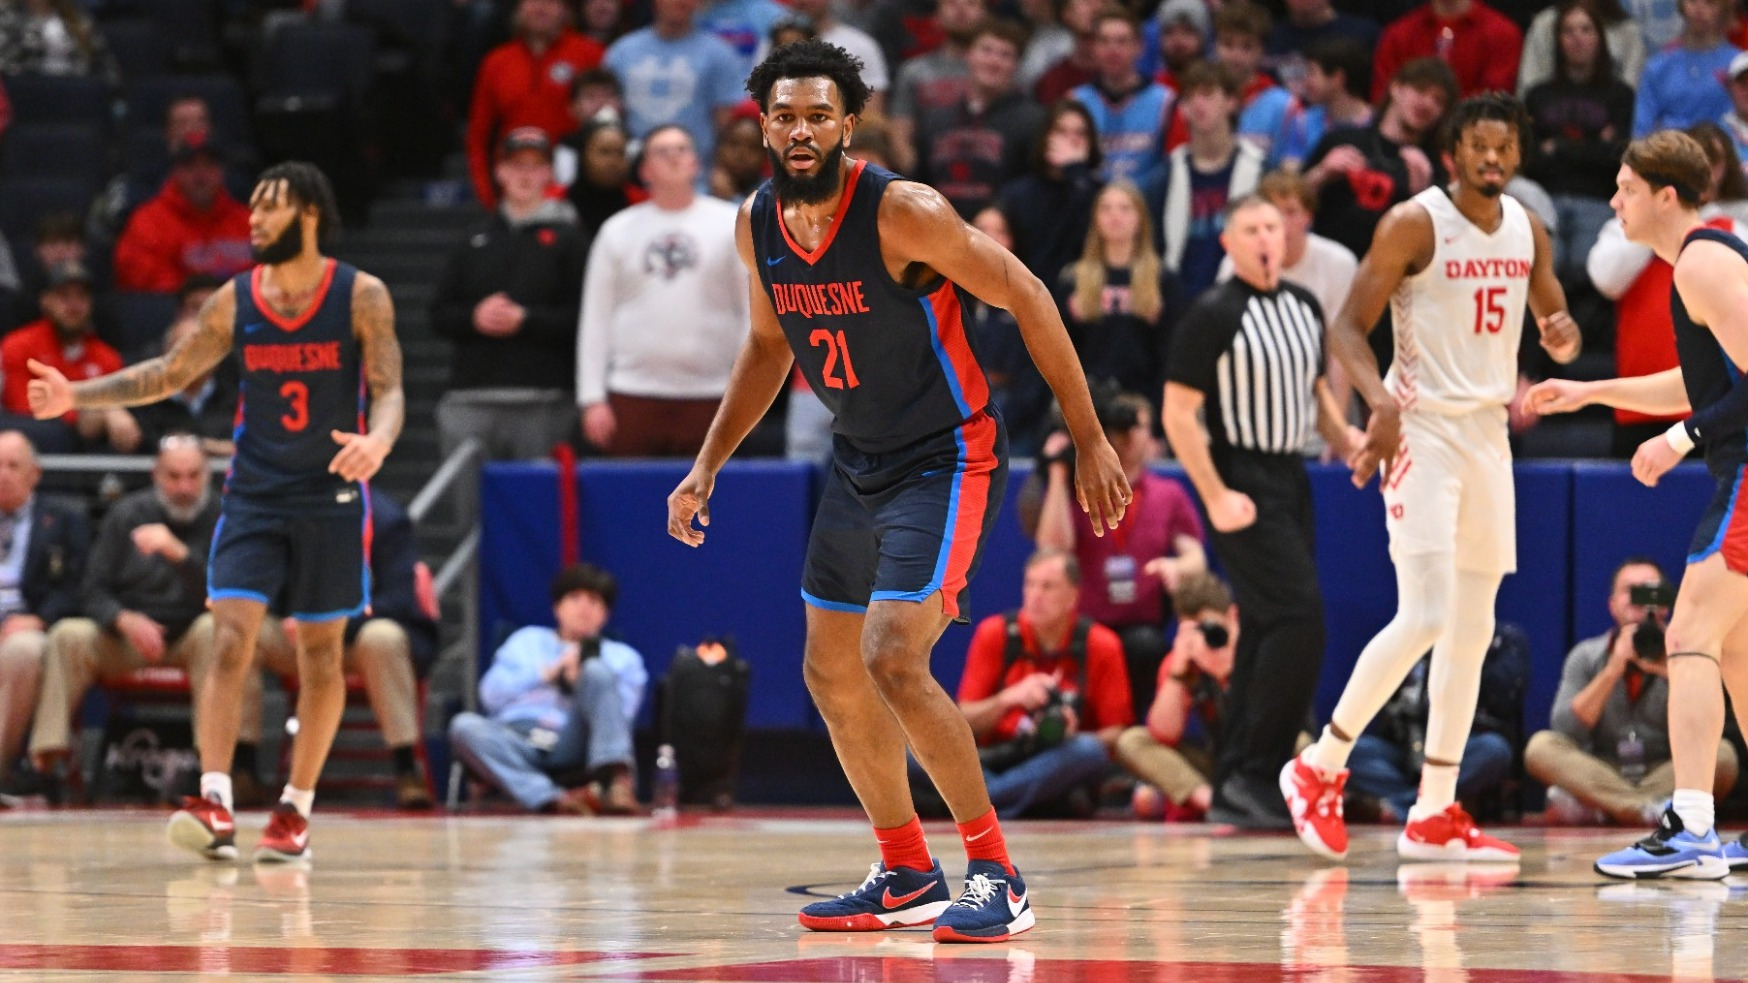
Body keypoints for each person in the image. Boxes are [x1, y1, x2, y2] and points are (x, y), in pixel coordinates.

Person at [666, 40, 1129, 942]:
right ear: (764, 126)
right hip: (858, 459)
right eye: (786, 116)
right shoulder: (757, 224)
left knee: (891, 653)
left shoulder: (902, 211)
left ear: (849, 124)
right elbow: (768, 347)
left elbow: (1028, 293)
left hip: (947, 454)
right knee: (830, 669)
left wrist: (1089, 436)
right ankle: (907, 869)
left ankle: (997, 873)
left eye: (819, 115)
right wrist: (707, 463)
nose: (802, 131)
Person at [26, 162, 404, 865]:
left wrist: (378, 440)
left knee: (321, 655)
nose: (252, 220)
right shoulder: (236, 298)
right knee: (228, 638)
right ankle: (216, 800)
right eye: (251, 208)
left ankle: (295, 809)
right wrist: (76, 396)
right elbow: (170, 372)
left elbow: (389, 389)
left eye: (269, 208)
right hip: (254, 492)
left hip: (328, 494)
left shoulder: (361, 294)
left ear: (309, 214)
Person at [1281, 94, 1580, 864]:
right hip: (1422, 428)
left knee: (1473, 627)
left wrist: (1562, 337)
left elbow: (1559, 327)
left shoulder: (1528, 227)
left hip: (1487, 433)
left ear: (1519, 155)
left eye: (1504, 147)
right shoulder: (1414, 223)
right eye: (1479, 146)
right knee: (1426, 614)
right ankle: (1318, 765)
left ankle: (1435, 809)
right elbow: (1346, 327)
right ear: (1453, 153)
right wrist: (1378, 404)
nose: (1493, 158)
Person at [1526, 129, 1748, 878]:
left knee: (1687, 633)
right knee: (1736, 651)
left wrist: (1681, 439)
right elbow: (1703, 384)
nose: (1613, 202)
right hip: (1738, 463)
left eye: (1625, 189)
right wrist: (1589, 392)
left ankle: (1690, 827)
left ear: (1666, 195)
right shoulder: (1698, 265)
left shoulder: (1704, 261)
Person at [1160, 193, 1358, 828]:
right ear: (1228, 242)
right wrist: (1215, 494)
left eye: (1273, 226)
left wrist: (1346, 437)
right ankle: (1259, 768)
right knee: (1301, 619)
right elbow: (1177, 414)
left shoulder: (1304, 305)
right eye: (1251, 229)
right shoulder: (1212, 314)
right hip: (1239, 475)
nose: (1266, 238)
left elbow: (1316, 390)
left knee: (1270, 626)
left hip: (1291, 475)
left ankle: (1238, 779)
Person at [10, 435, 241, 804]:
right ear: (155, 475)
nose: (184, 487)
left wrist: (180, 555)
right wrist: (121, 618)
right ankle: (47, 763)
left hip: (189, 635)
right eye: (173, 476)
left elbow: (228, 595)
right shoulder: (127, 514)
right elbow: (91, 588)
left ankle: (208, 768)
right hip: (126, 637)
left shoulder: (222, 516)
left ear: (208, 475)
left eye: (193, 476)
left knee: (216, 630)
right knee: (69, 634)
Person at [1031, 388, 1206, 718]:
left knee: (1146, 646)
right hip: (1085, 625)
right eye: (1119, 427)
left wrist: (1177, 566)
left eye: (1136, 426)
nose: (1126, 437)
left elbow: (1196, 557)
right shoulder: (1076, 487)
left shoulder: (1169, 493)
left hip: (1142, 628)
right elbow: (1052, 549)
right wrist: (1058, 471)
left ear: (1152, 437)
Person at [431, 127, 585, 502]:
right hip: (470, 396)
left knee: (539, 510)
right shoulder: (472, 239)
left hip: (544, 398)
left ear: (549, 174)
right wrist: (474, 317)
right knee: (470, 514)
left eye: (535, 166)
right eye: (517, 165)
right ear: (500, 172)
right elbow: (438, 314)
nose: (525, 175)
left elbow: (584, 320)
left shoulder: (571, 239)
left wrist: (526, 320)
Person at [1525, 557, 1740, 826]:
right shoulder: (1587, 655)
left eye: (1649, 590)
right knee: (1540, 746)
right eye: (1631, 591)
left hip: (1665, 771)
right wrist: (1612, 670)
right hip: (1604, 769)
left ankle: (1607, 808)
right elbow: (1566, 728)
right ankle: (1647, 811)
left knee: (1723, 754)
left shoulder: (1689, 655)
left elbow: (1711, 727)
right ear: (1612, 604)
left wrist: (1671, 672)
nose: (1640, 600)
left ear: (1665, 603)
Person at [578, 125, 748, 457]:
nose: (673, 157)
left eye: (681, 149)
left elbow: (754, 314)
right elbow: (595, 319)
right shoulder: (616, 230)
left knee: (713, 492)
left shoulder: (732, 224)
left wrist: (749, 395)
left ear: (696, 163)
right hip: (631, 393)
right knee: (631, 491)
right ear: (644, 170)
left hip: (714, 394)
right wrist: (592, 398)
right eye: (662, 151)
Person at [259, 493, 438, 811]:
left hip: (357, 641)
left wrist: (327, 622)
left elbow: (398, 601)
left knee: (383, 637)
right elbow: (268, 582)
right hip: (297, 639)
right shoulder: (291, 508)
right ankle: (240, 768)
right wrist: (290, 615)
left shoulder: (387, 519)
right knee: (242, 634)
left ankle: (407, 769)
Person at [448, 563, 644, 814]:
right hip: (516, 735)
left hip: (573, 737)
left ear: (605, 614)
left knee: (596, 671)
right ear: (557, 607)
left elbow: (620, 720)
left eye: (594, 601)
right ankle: (554, 799)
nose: (584, 608)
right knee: (463, 726)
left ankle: (613, 784)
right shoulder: (525, 640)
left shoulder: (622, 657)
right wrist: (544, 675)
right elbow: (490, 696)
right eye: (575, 598)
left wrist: (583, 684)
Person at [952, 549, 1132, 818]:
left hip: (1054, 761)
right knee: (911, 755)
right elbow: (963, 720)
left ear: (1073, 596)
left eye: (1048, 587)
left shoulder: (1102, 645)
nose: (1035, 595)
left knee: (1089, 750)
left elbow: (1116, 734)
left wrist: (1070, 734)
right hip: (992, 758)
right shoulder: (995, 632)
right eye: (1030, 584)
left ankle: (969, 803)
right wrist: (1008, 699)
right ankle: (994, 800)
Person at [1345, 622, 1528, 822]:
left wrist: (1458, 656)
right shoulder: (1415, 633)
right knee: (1349, 751)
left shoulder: (1503, 639)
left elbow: (1505, 698)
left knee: (1494, 751)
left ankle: (1398, 807)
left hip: (1464, 748)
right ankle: (1437, 803)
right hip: (1409, 749)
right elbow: (1388, 703)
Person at [1522, 0, 1637, 283]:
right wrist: (1594, 144)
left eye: (1586, 30)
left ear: (1600, 38)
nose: (1577, 39)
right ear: (1558, 40)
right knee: (1544, 268)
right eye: (1569, 31)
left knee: (1589, 270)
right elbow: (1530, 160)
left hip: (1597, 199)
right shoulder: (1538, 95)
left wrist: (1558, 146)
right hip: (1546, 198)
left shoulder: (1620, 95)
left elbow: (1616, 158)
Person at [0, 431, 86, 790]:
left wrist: (39, 619)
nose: (3, 474)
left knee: (24, 651)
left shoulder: (64, 519)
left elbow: (77, 584)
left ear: (34, 474)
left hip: (27, 623)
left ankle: (2, 764)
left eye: (12, 466)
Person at [1114, 572, 1238, 820]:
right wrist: (1178, 674)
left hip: (1263, 759)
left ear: (1233, 617)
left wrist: (1226, 673)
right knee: (1133, 740)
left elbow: (1269, 725)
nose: (1202, 638)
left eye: (1210, 627)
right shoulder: (1180, 662)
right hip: (1212, 764)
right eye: (1193, 631)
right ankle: (1213, 802)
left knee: (1300, 742)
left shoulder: (1255, 652)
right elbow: (1164, 734)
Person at [465, 0, 606, 209]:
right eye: (532, 1)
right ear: (519, 8)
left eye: (550, 2)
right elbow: (478, 136)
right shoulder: (496, 62)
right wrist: (486, 195)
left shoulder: (591, 54)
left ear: (565, 9)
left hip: (576, 189)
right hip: (514, 188)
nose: (541, 7)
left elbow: (605, 124)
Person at [1149, 61, 1267, 304]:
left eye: (1207, 94)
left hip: (1243, 299)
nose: (1197, 104)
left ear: (1231, 102)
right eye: (1189, 97)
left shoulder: (1260, 170)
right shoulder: (1165, 175)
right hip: (1181, 302)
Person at [912, 20, 1043, 220]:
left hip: (1000, 232)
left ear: (1016, 65)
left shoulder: (1034, 121)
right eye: (986, 50)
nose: (993, 61)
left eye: (1005, 55)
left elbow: (1035, 189)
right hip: (939, 229)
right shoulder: (935, 120)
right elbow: (919, 184)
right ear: (968, 55)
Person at [0, 261, 134, 454]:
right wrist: (81, 416)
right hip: (29, 451)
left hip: (89, 459)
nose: (74, 304)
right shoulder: (19, 346)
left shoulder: (108, 358)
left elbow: (119, 417)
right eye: (64, 296)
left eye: (81, 296)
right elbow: (21, 410)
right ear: (45, 301)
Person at [1059, 182, 1173, 401]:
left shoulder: (1163, 280)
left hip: (1142, 399)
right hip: (1087, 398)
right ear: (1095, 219)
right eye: (1106, 208)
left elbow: (1168, 355)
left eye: (1125, 208)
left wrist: (1154, 413)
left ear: (1141, 219)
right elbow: (1060, 355)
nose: (1115, 215)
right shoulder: (1072, 280)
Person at [603, 0, 746, 172]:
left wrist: (722, 171)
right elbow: (607, 118)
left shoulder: (720, 56)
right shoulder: (621, 53)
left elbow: (726, 125)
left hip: (696, 175)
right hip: (630, 172)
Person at [113, 132, 253, 293]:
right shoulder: (149, 221)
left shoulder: (247, 221)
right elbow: (141, 276)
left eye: (209, 165)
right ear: (175, 171)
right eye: (190, 166)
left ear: (222, 171)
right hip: (175, 306)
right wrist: (195, 296)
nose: (201, 175)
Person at [998, 100, 1104, 284]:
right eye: (1061, 132)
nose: (1071, 141)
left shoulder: (1101, 194)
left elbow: (1093, 242)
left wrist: (1075, 172)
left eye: (1080, 133)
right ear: (1045, 136)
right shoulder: (1018, 194)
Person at [1070, 9, 1173, 185]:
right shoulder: (1076, 102)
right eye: (1104, 41)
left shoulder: (1165, 102)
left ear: (1139, 47)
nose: (1113, 50)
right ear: (1094, 48)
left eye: (1122, 41)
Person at [1371, 0, 1523, 102]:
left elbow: (1494, 99)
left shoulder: (1502, 33)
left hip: (1472, 132)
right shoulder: (1398, 34)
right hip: (1407, 133)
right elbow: (1382, 97)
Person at [1631, 0, 1738, 138]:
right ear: (1682, 5)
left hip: (1725, 146)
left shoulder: (1737, 65)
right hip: (1671, 147)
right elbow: (1640, 131)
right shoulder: (1657, 67)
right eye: (1692, 1)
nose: (1699, 8)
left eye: (1709, 2)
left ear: (1722, 10)